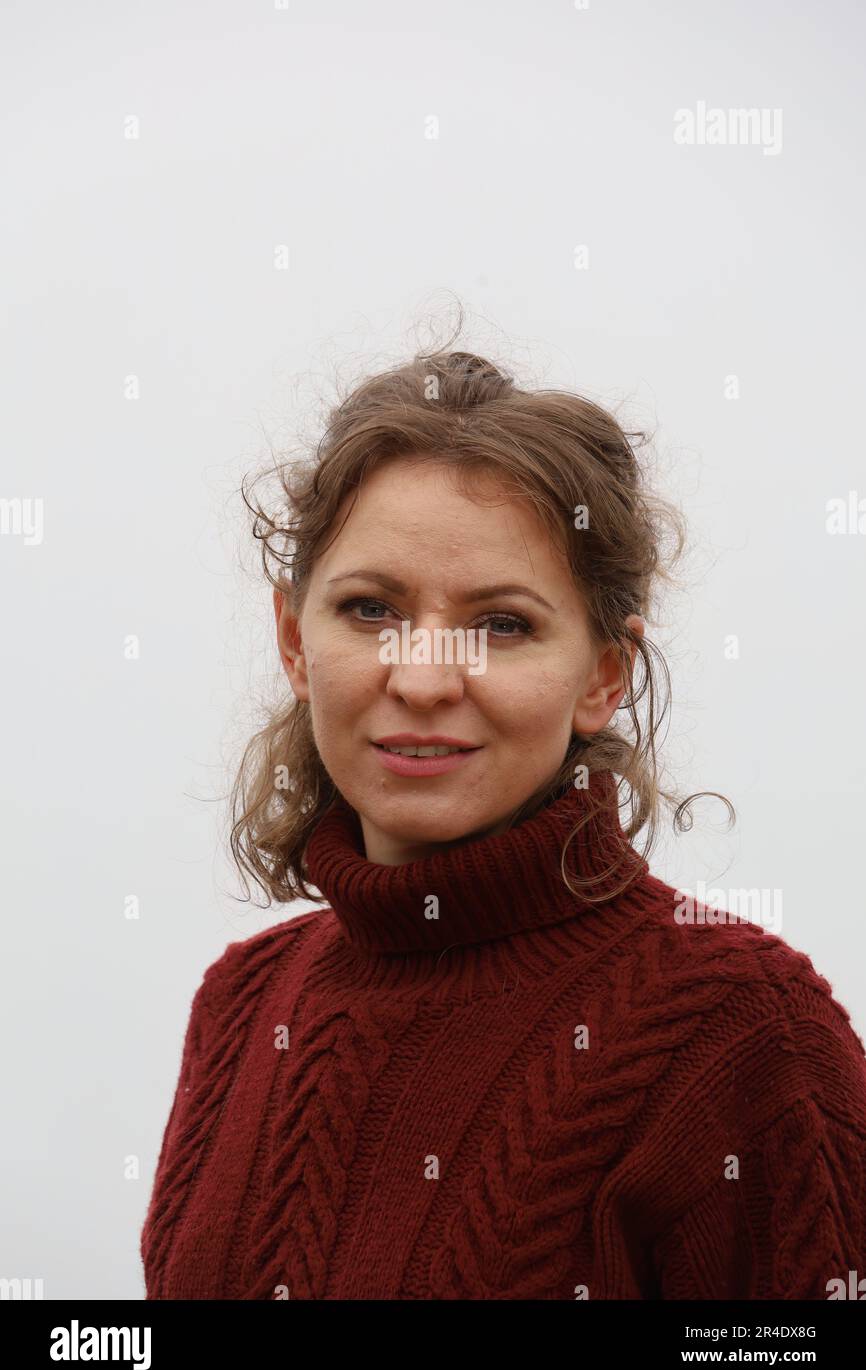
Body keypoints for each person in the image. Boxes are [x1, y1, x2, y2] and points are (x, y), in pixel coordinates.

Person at [140, 344, 866, 1300]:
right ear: (293, 642)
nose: (424, 680)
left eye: (503, 624)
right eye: (371, 609)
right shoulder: (242, 1006)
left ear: (603, 675)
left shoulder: (744, 1032)